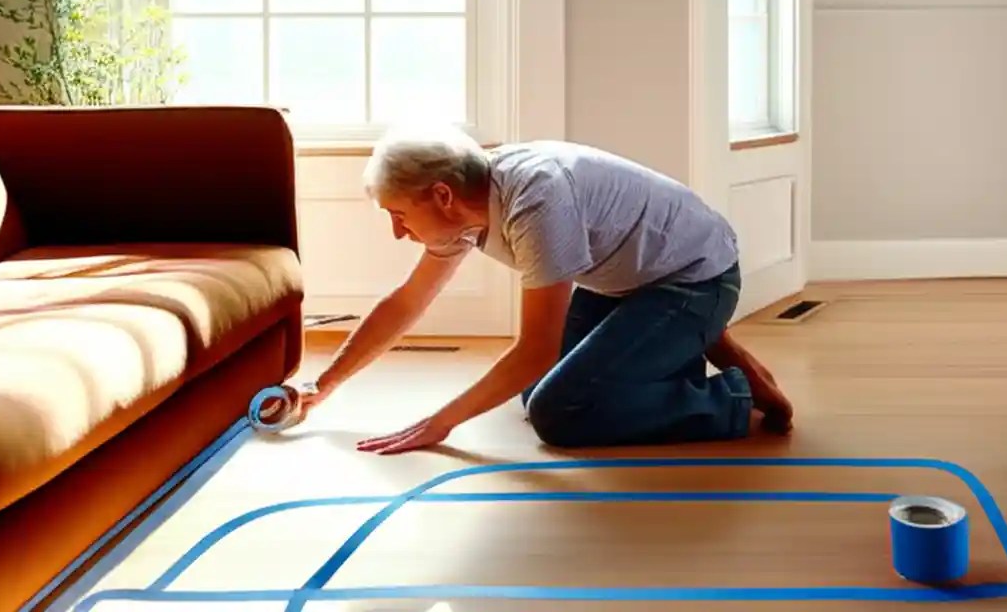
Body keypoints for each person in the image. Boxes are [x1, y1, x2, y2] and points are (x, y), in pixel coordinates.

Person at [296, 124, 793, 455]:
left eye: (398, 215)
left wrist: (439, 424)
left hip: (693, 279)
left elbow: (533, 349)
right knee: (539, 391)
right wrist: (322, 386)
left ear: (441, 195)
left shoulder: (536, 201)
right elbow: (407, 302)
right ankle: (695, 340)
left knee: (559, 413)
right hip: (634, 281)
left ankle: (732, 396)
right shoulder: (465, 213)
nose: (398, 232)